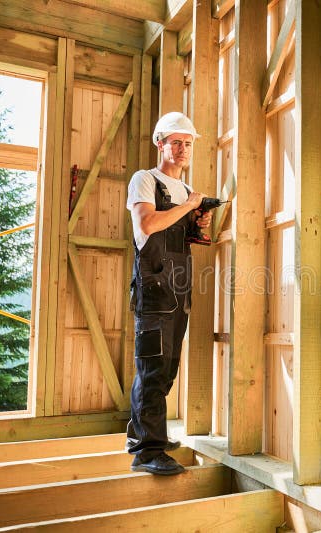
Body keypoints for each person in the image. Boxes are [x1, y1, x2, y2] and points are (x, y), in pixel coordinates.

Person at [124, 112, 212, 475]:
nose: (182, 149)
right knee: (153, 368)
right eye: (175, 142)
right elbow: (147, 224)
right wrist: (189, 207)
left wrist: (199, 223)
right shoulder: (145, 180)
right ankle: (148, 452)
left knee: (166, 367)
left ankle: (141, 434)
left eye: (188, 143)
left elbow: (186, 238)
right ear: (160, 143)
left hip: (179, 288)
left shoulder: (186, 191)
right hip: (154, 288)